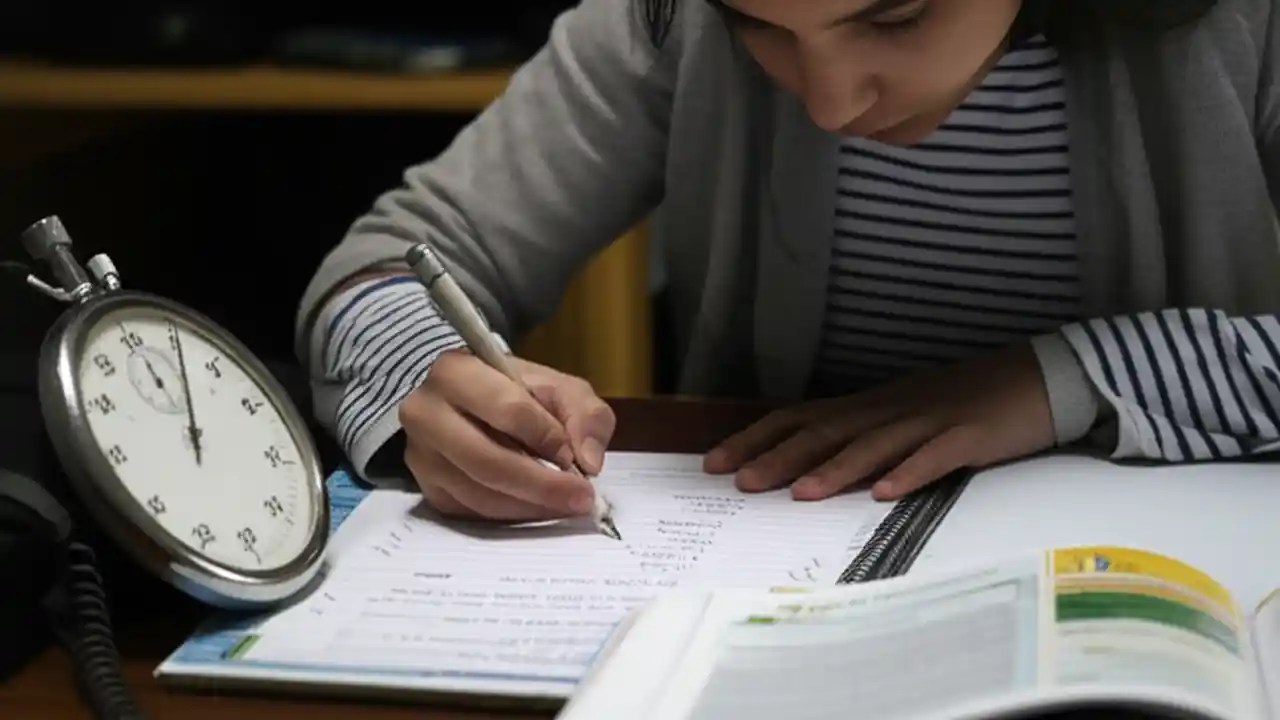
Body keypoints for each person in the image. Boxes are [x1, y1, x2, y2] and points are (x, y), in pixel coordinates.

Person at [295, 0, 1280, 523]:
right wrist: (429, 380)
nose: (829, 104)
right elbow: (381, 269)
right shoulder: (671, 16)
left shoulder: (1245, 26)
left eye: (893, 14)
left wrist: (1049, 382)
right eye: (760, 26)